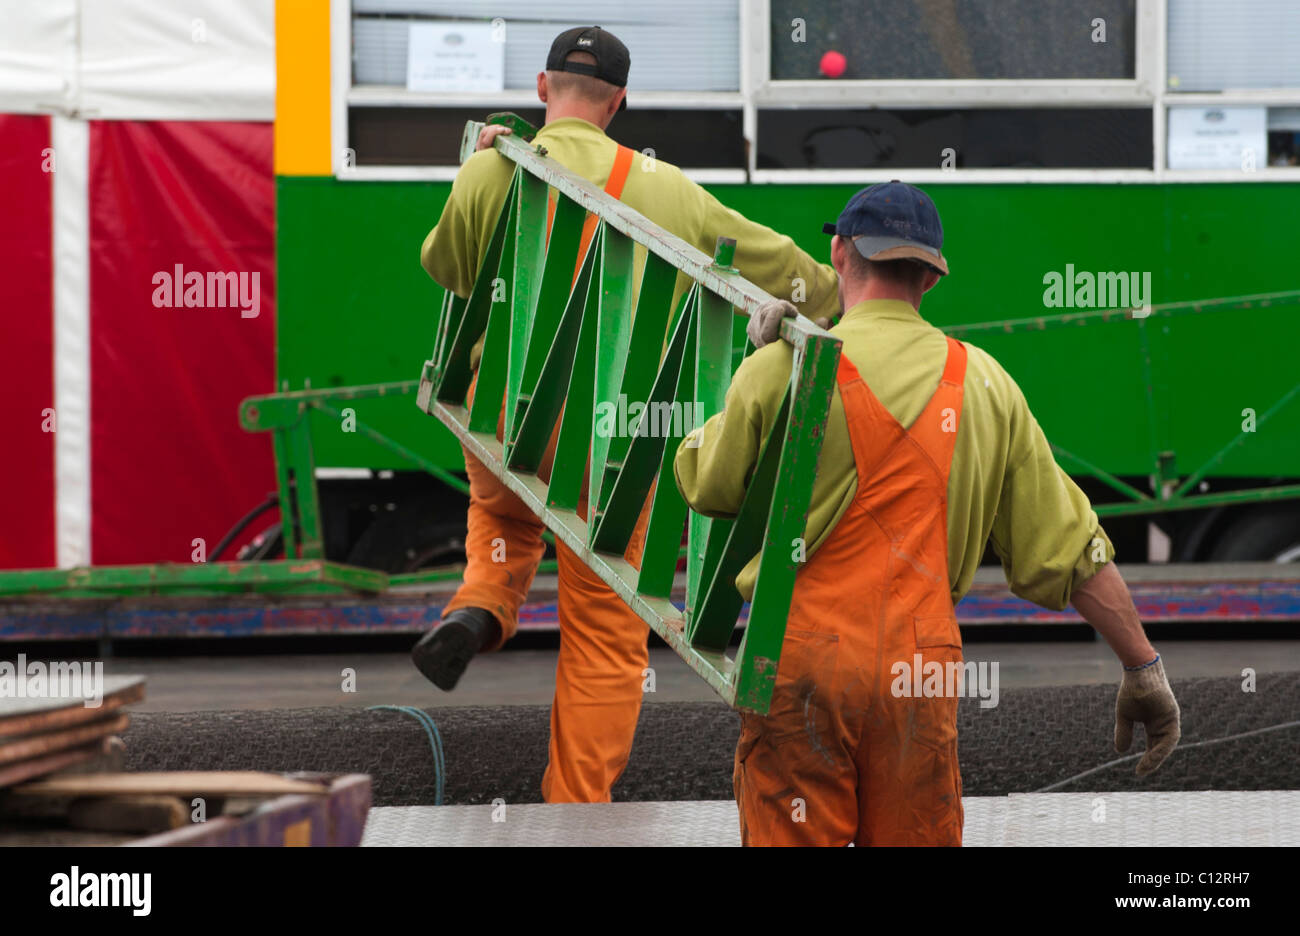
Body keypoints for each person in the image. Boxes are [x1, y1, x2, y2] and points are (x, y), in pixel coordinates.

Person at [674, 181, 1181, 845]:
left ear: (838, 253)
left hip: (800, 663)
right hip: (921, 669)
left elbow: (706, 482)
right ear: (931, 278)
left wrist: (759, 363)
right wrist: (1143, 668)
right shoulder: (985, 384)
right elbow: (1071, 549)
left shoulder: (786, 367)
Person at [414, 26, 840, 802]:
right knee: (606, 637)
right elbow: (779, 264)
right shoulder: (661, 186)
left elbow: (443, 266)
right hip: (609, 448)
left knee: (504, 520)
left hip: (500, 417)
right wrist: (837, 290)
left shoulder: (492, 171)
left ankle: (478, 607)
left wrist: (483, 178)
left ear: (544, 90)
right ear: (618, 104)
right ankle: (575, 810)